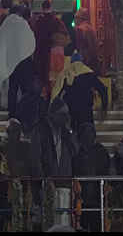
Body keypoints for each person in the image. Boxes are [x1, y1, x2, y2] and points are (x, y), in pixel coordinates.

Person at [31, 98, 78, 229]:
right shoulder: (40, 129)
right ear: (52, 114)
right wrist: (42, 180)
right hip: (47, 183)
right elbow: (35, 158)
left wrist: (69, 131)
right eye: (62, 114)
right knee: (49, 221)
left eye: (67, 114)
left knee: (64, 220)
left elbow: (75, 151)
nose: (65, 118)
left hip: (64, 182)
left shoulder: (66, 132)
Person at [0, 5, 36, 119]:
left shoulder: (6, 24)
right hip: (24, 61)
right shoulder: (23, 24)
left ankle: (12, 113)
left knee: (13, 88)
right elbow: (31, 40)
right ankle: (25, 113)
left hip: (11, 62)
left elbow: (0, 41)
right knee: (25, 88)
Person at [53, 53, 109, 132]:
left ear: (71, 62)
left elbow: (57, 93)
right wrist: (104, 107)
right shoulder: (89, 73)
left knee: (72, 133)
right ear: (82, 62)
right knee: (87, 133)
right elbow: (103, 89)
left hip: (71, 111)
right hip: (86, 110)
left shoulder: (66, 74)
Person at [72, 121, 110, 233]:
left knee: (97, 225)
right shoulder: (77, 153)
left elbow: (106, 170)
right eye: (85, 134)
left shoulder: (101, 151)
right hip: (81, 197)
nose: (88, 136)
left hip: (97, 196)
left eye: (90, 133)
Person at [32, 0, 68, 97]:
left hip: (41, 53)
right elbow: (64, 35)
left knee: (43, 78)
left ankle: (42, 99)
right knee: (54, 79)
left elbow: (35, 37)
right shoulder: (56, 21)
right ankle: (53, 97)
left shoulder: (38, 21)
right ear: (50, 7)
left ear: (42, 8)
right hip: (54, 53)